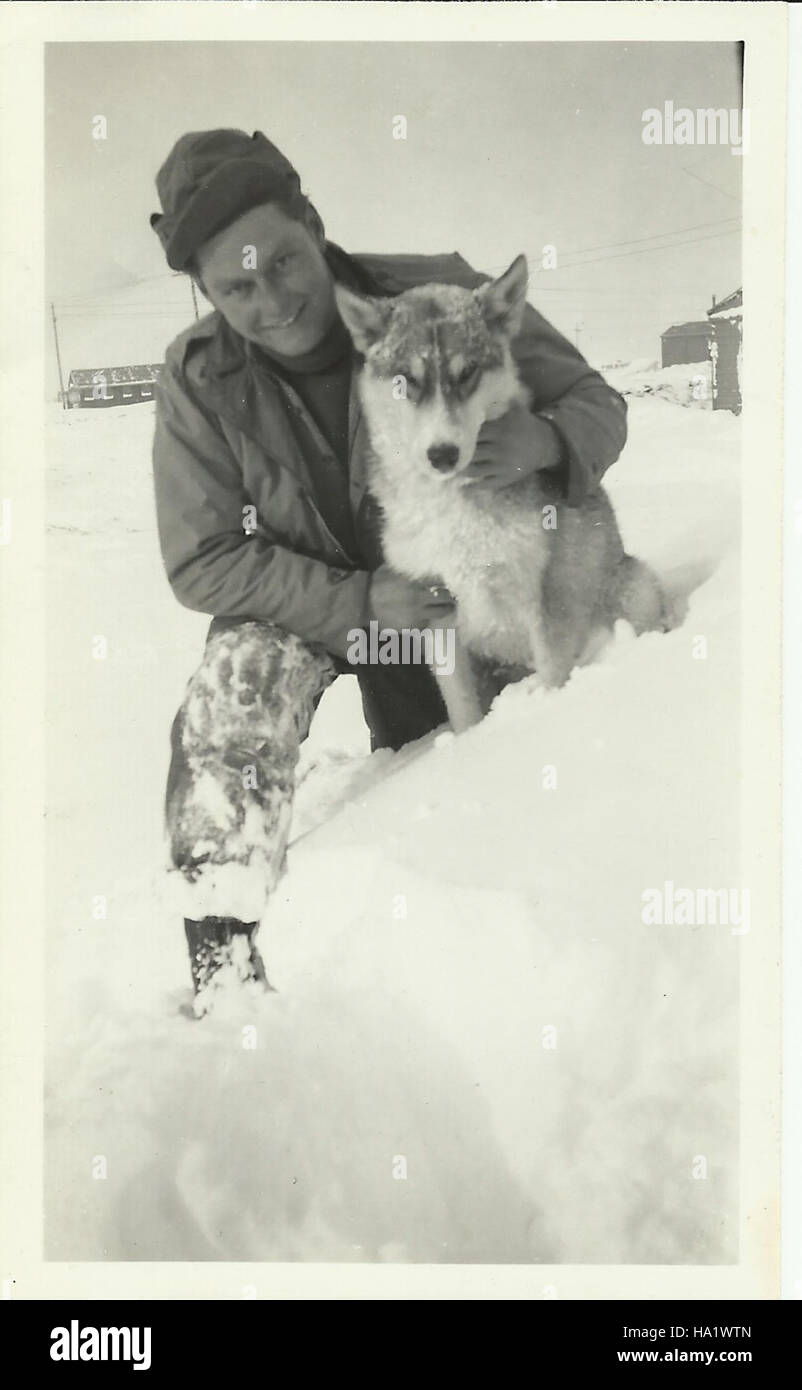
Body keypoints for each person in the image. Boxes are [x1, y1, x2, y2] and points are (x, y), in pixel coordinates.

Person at [150, 128, 628, 1015]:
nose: (275, 301)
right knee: (234, 688)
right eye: (236, 287)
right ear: (203, 291)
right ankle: (225, 972)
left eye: (287, 262)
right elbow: (201, 557)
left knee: (443, 775)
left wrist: (551, 442)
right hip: (326, 605)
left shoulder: (437, 296)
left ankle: (538, 945)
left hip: (461, 581)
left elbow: (595, 399)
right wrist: (354, 601)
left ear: (314, 225)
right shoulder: (197, 379)